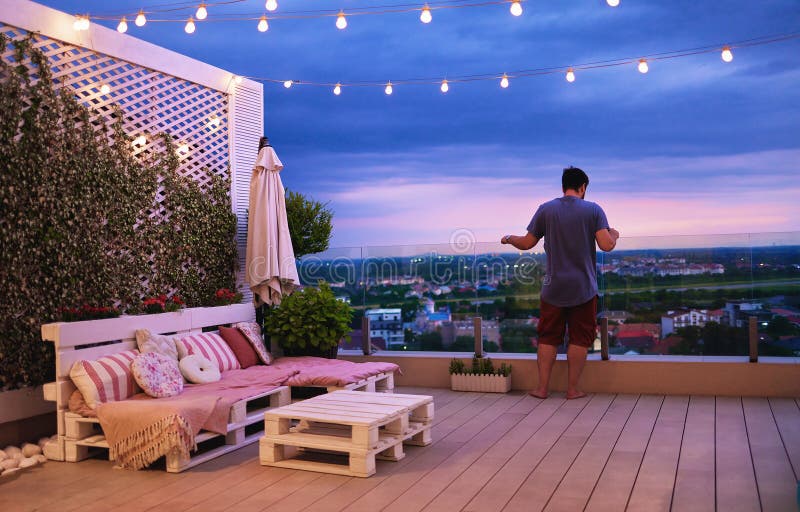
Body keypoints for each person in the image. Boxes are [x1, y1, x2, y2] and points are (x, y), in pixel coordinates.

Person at [500, 166, 619, 399]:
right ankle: (572, 389)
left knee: (547, 337)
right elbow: (606, 245)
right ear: (583, 187)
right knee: (580, 338)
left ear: (563, 186)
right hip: (583, 287)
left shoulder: (546, 209)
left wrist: (507, 238)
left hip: (553, 287)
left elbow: (526, 244)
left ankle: (542, 388)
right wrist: (614, 233)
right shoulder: (594, 210)